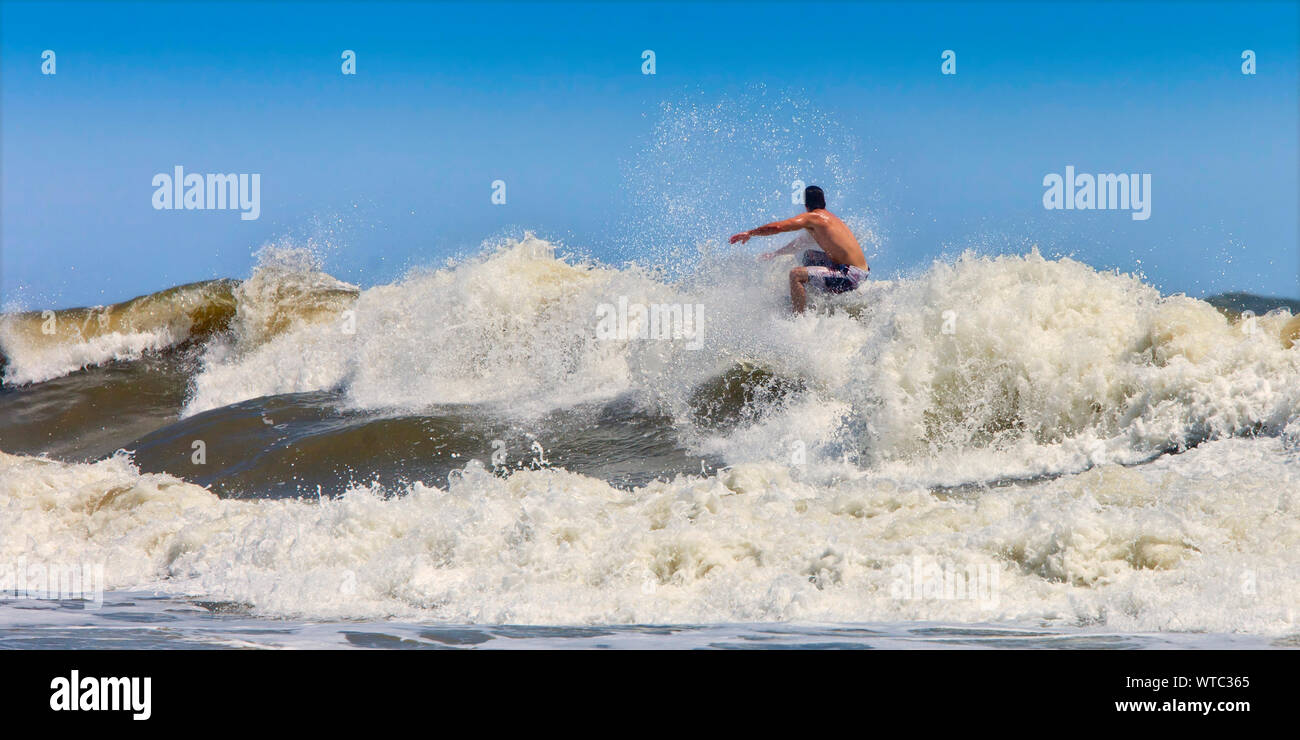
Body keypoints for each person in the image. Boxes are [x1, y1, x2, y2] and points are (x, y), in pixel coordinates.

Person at [729, 185, 868, 313]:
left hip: (850, 274)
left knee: (796, 275)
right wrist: (775, 254)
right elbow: (799, 244)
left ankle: (798, 318)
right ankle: (814, 301)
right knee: (809, 256)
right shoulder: (829, 220)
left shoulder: (813, 218)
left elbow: (778, 227)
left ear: (806, 205)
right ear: (824, 202)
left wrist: (750, 233)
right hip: (859, 272)